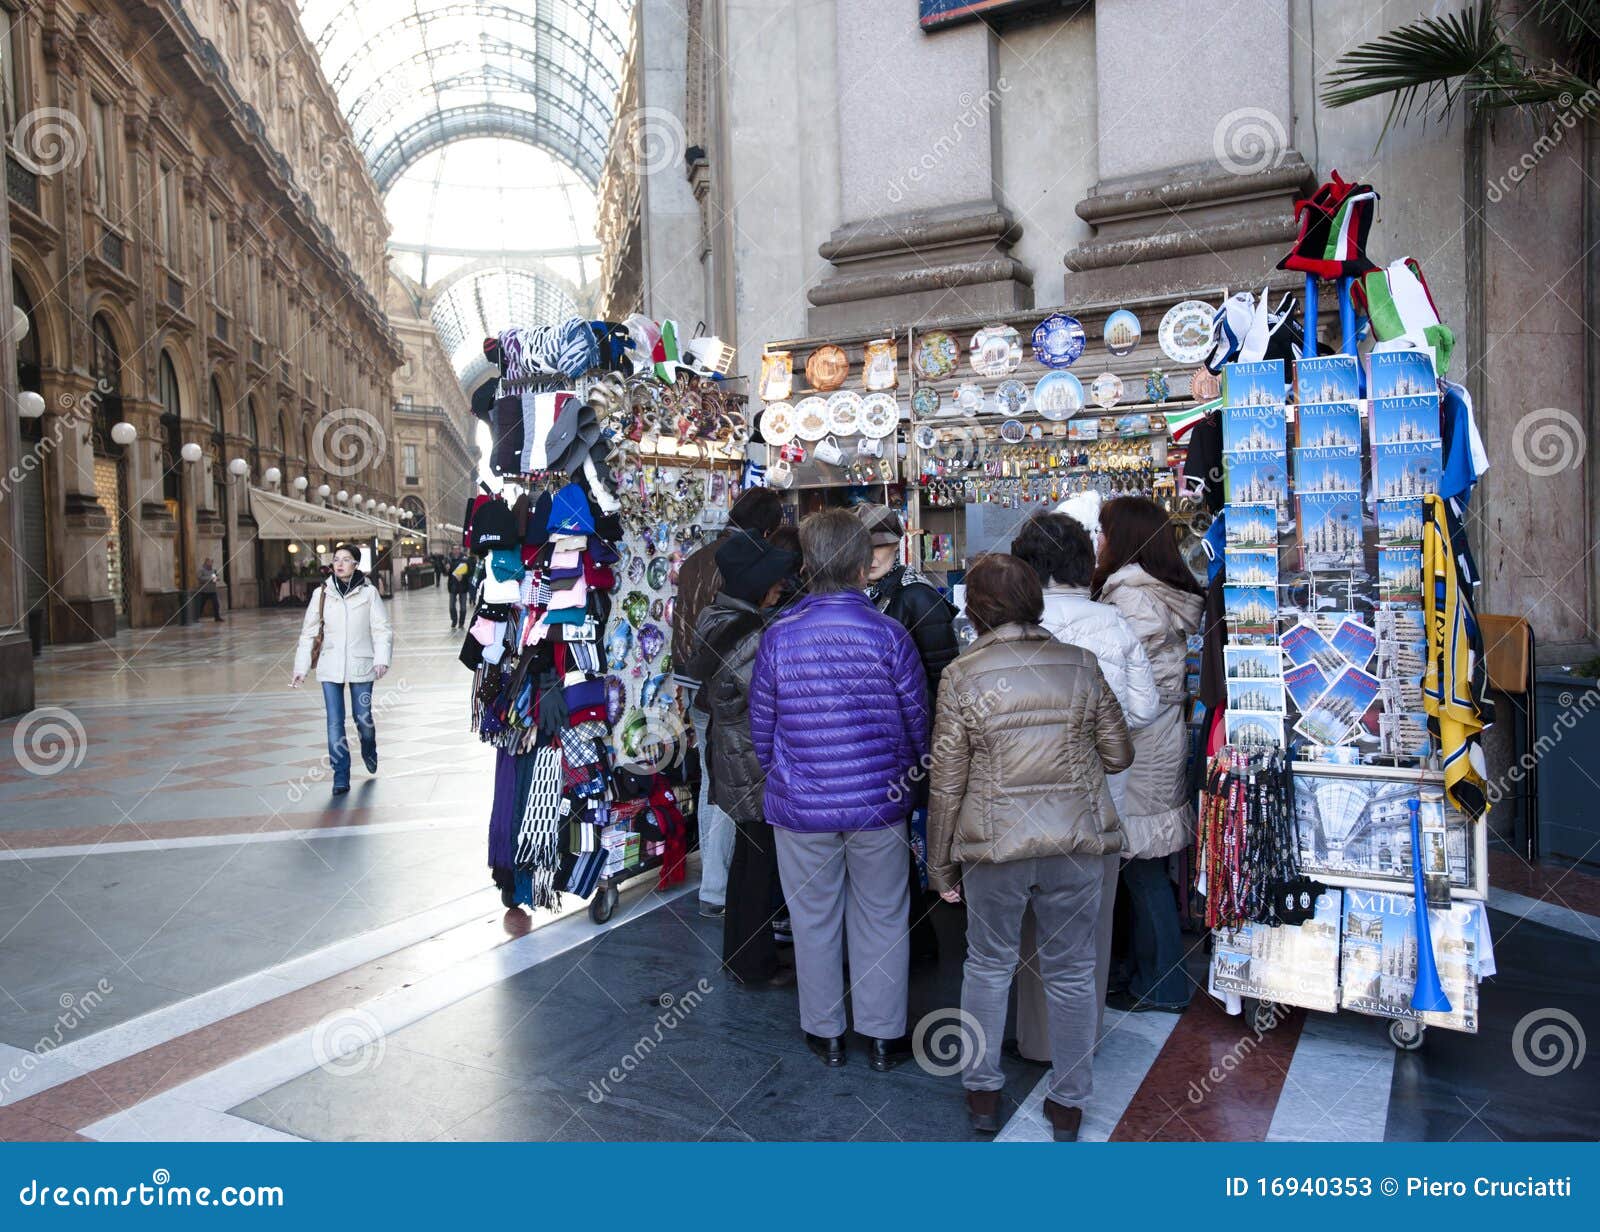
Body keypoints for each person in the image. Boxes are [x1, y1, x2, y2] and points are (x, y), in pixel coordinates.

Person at [927, 553, 1132, 1140]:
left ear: (977, 610)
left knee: (988, 967)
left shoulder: (964, 675)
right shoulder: (1082, 665)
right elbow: (1120, 755)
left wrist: (941, 865)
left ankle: (982, 1097)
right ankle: (1069, 1105)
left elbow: (946, 780)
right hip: (1078, 841)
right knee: (1071, 973)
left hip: (995, 845)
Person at [749, 510, 929, 1070]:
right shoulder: (889, 634)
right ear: (860, 564)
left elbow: (761, 730)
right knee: (881, 915)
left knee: (813, 918)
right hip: (880, 802)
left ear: (806, 564)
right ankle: (882, 1036)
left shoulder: (779, 636)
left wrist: (788, 771)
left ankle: (825, 1034)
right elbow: (917, 724)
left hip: (801, 805)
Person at [1007, 512, 1162, 1060]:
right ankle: (1079, 1040)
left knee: (1030, 926)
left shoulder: (1016, 631)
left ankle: (1034, 1038)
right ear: (1084, 563)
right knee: (1087, 929)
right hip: (1099, 804)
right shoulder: (1113, 624)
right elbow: (1146, 707)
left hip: (1024, 804)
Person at [1093, 496, 1205, 1012]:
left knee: (1143, 870)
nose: (1097, 541)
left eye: (1103, 531)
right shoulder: (1151, 591)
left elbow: (1140, 689)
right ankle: (1146, 974)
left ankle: (1163, 982)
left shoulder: (1132, 597)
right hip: (1154, 746)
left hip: (1142, 753)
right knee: (1144, 869)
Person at [686, 531, 801, 989]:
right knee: (757, 861)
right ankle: (753, 964)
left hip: (733, 753)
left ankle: (743, 956)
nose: (780, 587)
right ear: (757, 586)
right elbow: (770, 698)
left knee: (747, 860)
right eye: (774, 580)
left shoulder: (717, 616)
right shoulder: (751, 634)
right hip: (751, 758)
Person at [672, 487, 784, 919]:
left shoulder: (697, 558)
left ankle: (715, 886)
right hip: (737, 687)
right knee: (742, 781)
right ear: (770, 527)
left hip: (697, 686)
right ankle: (738, 887)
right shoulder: (747, 559)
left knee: (714, 780)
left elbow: (683, 628)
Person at [856, 503, 958, 963]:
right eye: (866, 547)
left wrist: (929, 744)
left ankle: (916, 945)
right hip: (877, 742)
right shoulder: (861, 591)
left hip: (911, 741)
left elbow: (942, 675)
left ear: (897, 545)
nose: (873, 556)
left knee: (905, 846)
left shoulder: (918, 595)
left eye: (881, 547)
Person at [291, 544, 393, 796]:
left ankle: (369, 747)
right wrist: (301, 667)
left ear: (356, 564)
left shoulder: (369, 593)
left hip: (361, 663)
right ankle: (341, 775)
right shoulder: (322, 593)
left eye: (346, 560)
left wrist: (381, 659)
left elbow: (382, 629)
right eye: (336, 559)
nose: (339, 564)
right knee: (334, 722)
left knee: (363, 718)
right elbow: (309, 632)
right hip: (330, 664)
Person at [446, 549, 471, 630]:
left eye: (457, 549)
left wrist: (463, 576)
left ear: (459, 550)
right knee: (451, 606)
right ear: (452, 551)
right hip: (452, 586)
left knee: (463, 607)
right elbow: (445, 573)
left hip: (463, 586)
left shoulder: (465, 559)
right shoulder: (449, 559)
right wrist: (446, 569)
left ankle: (461, 623)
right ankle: (454, 620)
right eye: (454, 549)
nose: (456, 551)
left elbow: (470, 571)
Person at [193, 557, 223, 622]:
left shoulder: (214, 570)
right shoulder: (201, 570)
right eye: (209, 562)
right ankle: (196, 618)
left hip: (212, 591)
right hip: (204, 591)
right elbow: (199, 578)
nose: (211, 563)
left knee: (216, 604)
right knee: (201, 605)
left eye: (212, 562)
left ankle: (217, 617)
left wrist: (216, 579)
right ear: (206, 562)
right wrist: (210, 578)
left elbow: (217, 578)